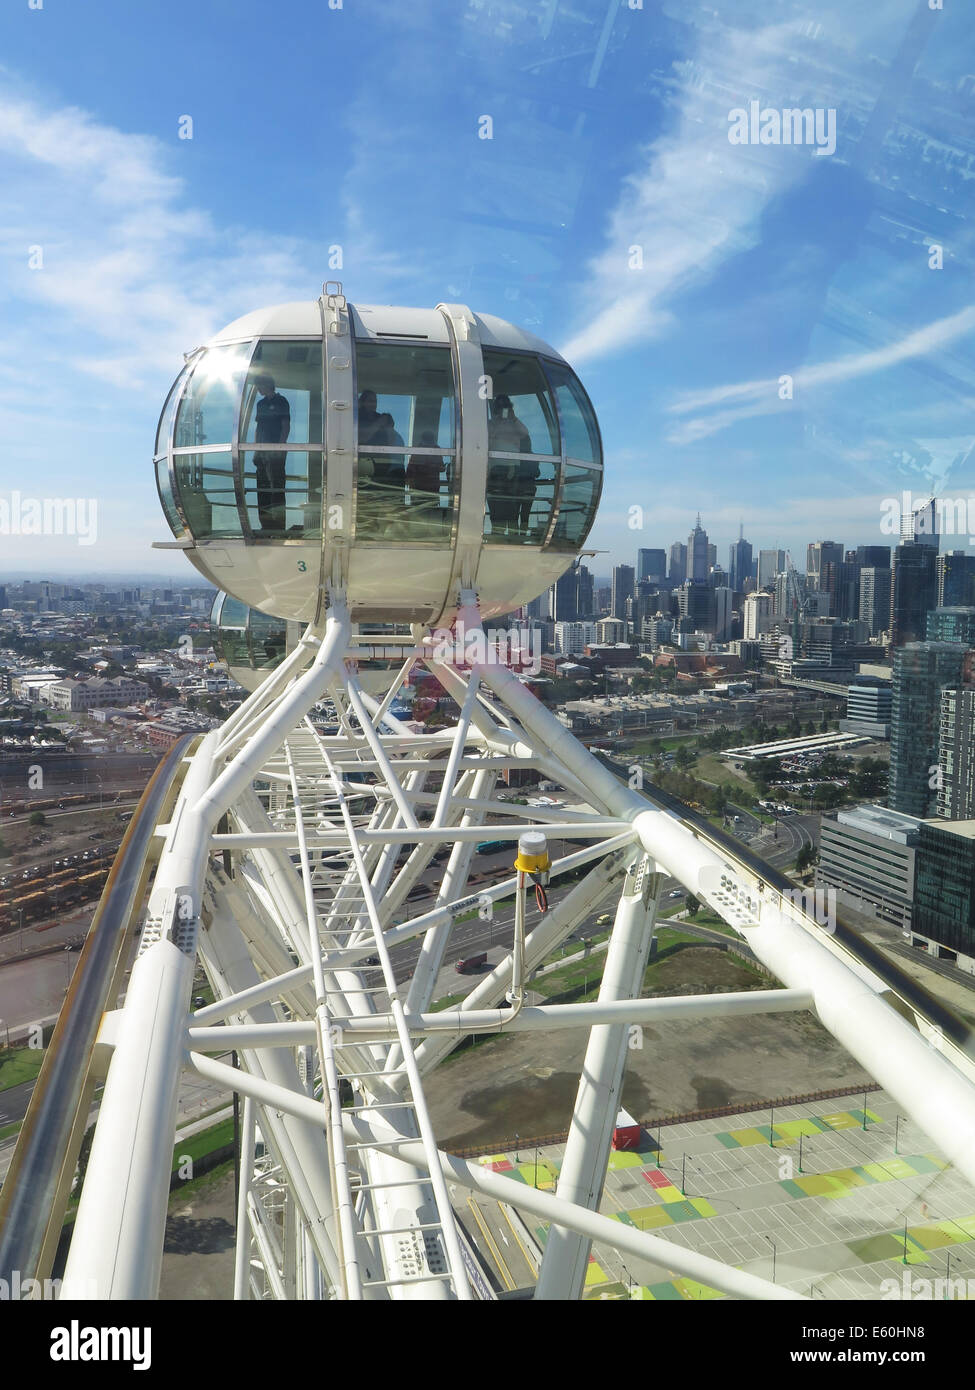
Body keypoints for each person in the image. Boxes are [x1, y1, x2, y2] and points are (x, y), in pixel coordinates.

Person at [486, 394, 531, 535]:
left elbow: (525, 433)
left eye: (506, 408)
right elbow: (487, 436)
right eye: (501, 408)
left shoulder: (514, 424)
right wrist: (497, 422)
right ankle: (497, 531)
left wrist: (514, 418)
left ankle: (511, 532)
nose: (503, 411)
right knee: (496, 503)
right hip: (496, 468)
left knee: (512, 504)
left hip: (512, 468)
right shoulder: (491, 424)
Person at [253, 373, 290, 533]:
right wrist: (255, 448)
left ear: (266, 385)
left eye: (259, 385)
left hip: (276, 450)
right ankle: (265, 524)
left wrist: (280, 447)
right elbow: (258, 427)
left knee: (276, 485)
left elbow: (285, 424)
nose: (258, 389)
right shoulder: (260, 404)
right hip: (262, 450)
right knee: (262, 486)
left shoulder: (281, 401)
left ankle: (278, 524)